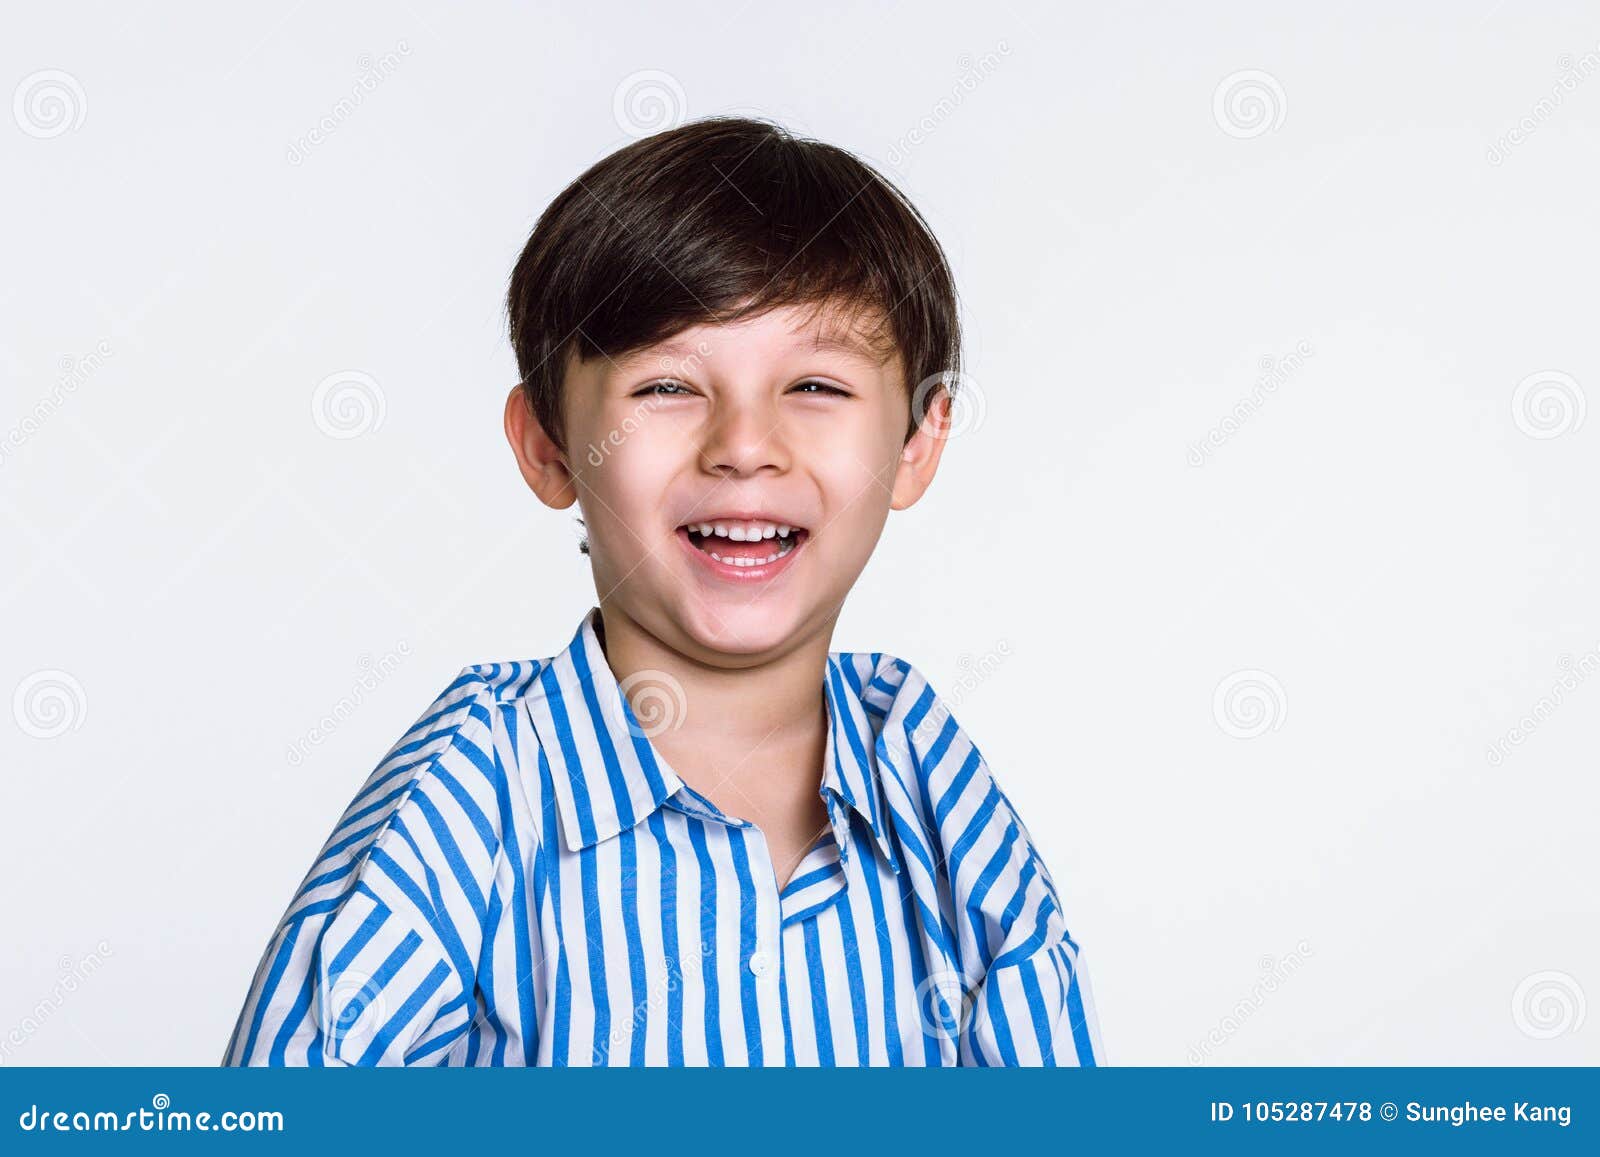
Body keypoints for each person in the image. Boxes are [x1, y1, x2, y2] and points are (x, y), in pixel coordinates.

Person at [225, 116, 1101, 1066]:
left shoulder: (933, 791)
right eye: (666, 387)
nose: (743, 445)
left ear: (918, 445)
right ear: (549, 446)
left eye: (815, 386)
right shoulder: (472, 799)